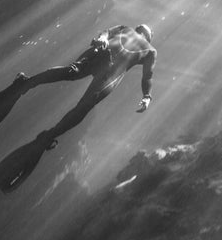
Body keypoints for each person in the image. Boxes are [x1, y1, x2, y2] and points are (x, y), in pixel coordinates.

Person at [14, 24, 156, 151]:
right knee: (84, 106)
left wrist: (102, 38)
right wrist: (147, 96)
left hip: (101, 54)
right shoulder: (149, 50)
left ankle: (27, 82)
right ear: (149, 37)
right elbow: (147, 76)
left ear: (141, 30)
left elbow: (106, 32)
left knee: (71, 72)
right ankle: (50, 135)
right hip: (111, 73)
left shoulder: (126, 30)